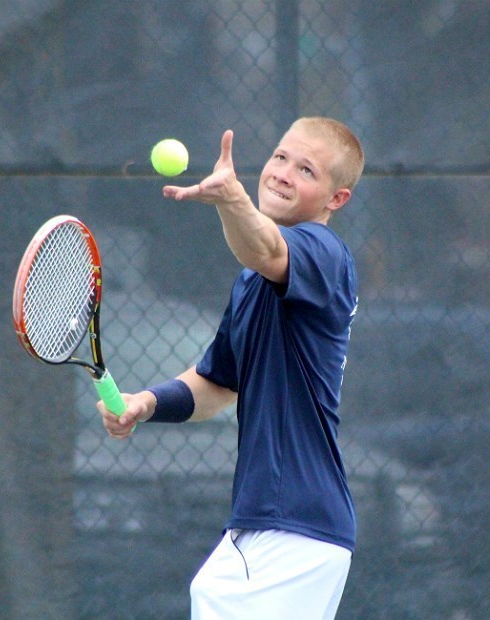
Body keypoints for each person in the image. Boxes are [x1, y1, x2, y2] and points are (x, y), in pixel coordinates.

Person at [99, 117, 365, 619]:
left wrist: (232, 199)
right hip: (280, 529)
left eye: (306, 170)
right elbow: (218, 383)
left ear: (337, 199)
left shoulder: (325, 254)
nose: (283, 173)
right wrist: (146, 402)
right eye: (281, 157)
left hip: (291, 525)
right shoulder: (251, 282)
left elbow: (265, 247)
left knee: (214, 595)